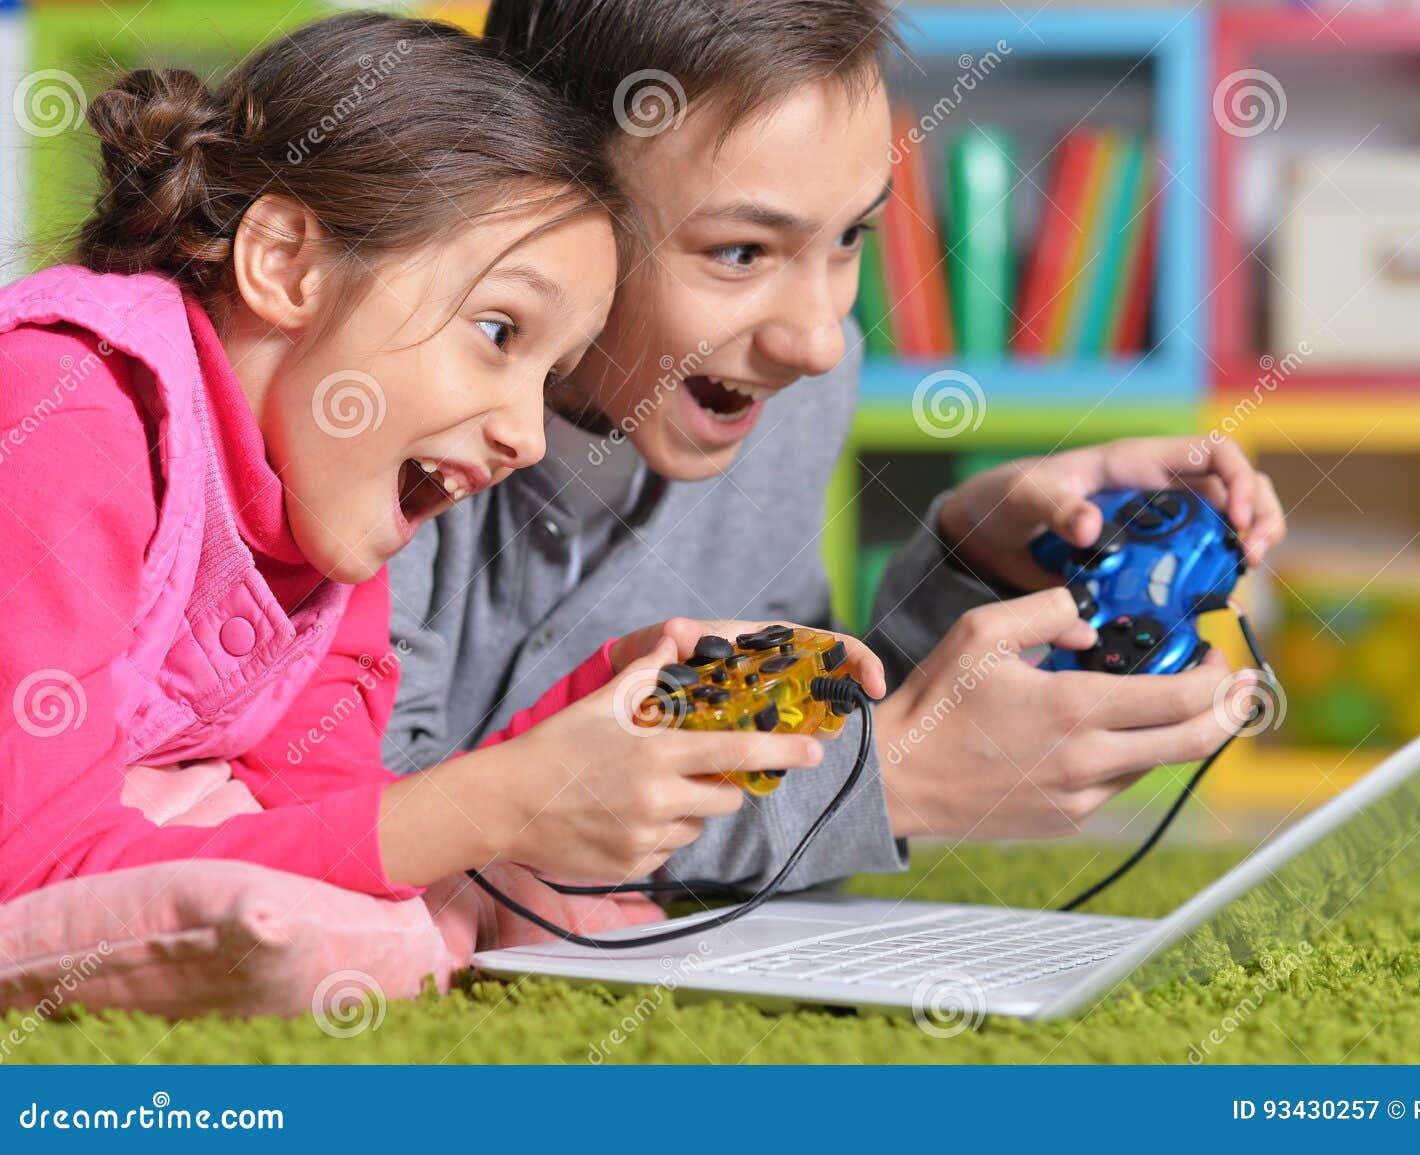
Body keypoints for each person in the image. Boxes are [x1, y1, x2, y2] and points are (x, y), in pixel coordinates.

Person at [380, 0, 1287, 891]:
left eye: (850, 235)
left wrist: (977, 558)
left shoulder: (793, 385)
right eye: (740, 252)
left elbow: (776, 727)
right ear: (542, 206)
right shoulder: (395, 410)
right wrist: (894, 779)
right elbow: (375, 824)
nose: (818, 339)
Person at [0, 12, 854, 913]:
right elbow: (29, 874)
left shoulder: (323, 518)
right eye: (498, 332)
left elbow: (339, 822)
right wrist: (496, 804)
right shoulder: (67, 404)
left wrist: (583, 722)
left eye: (551, 374)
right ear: (287, 263)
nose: (526, 435)